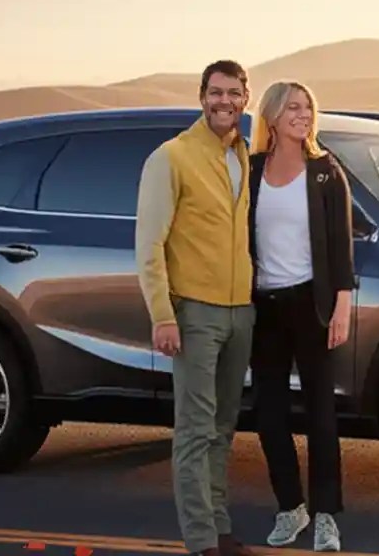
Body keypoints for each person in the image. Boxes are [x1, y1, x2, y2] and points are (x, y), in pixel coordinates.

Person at [136, 60, 257, 556]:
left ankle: (220, 529)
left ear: (245, 99)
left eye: (232, 93)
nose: (223, 101)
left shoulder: (242, 155)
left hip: (239, 312)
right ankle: (202, 542)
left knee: (223, 430)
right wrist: (163, 315)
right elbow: (149, 244)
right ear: (201, 97)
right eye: (215, 93)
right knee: (194, 430)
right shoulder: (171, 158)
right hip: (194, 315)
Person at [246, 80, 355, 552]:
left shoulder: (325, 172)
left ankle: (327, 515)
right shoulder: (250, 171)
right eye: (293, 107)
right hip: (264, 308)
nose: (303, 114)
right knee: (268, 416)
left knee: (321, 417)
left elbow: (342, 247)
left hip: (313, 304)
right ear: (271, 115)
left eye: (308, 107)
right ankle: (291, 507)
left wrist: (342, 306)